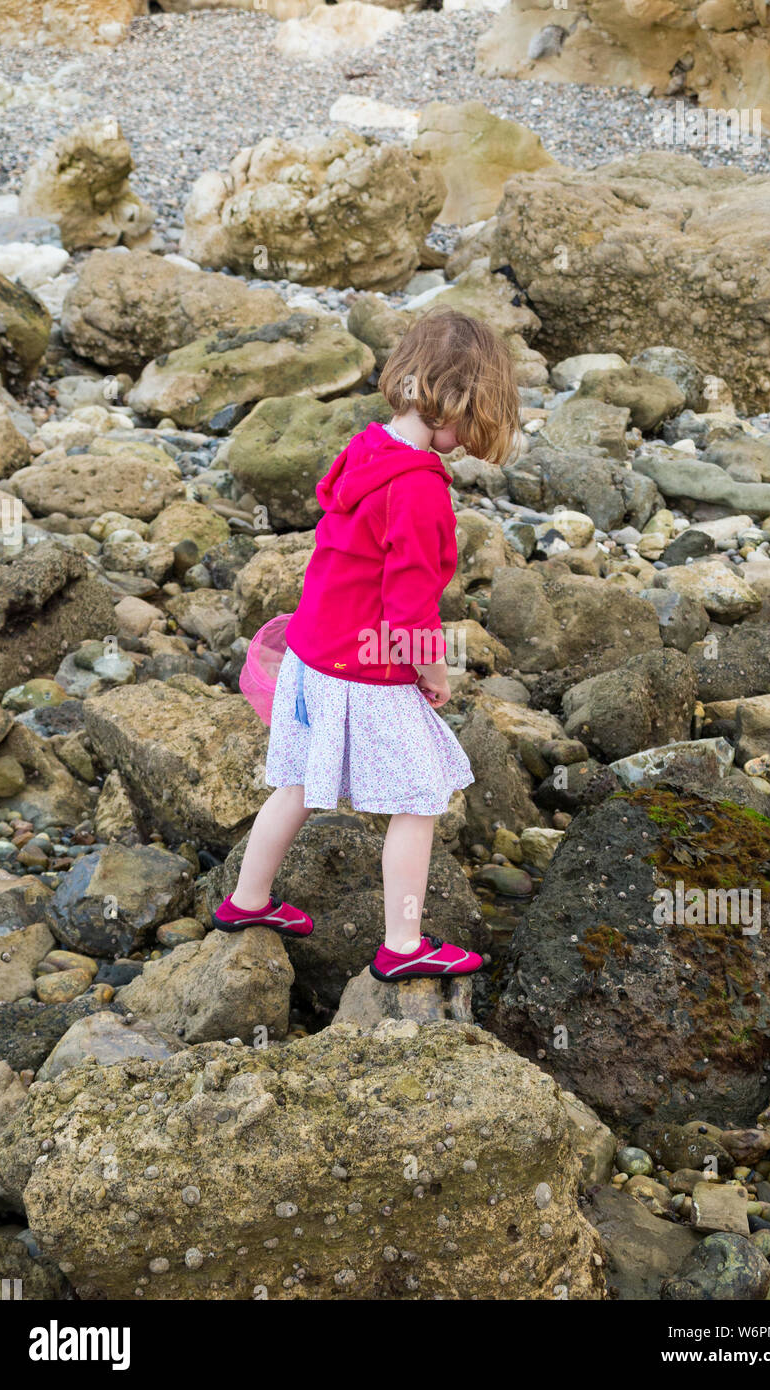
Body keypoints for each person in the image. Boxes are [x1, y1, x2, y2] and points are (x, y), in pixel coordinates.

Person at [213, 308, 520, 982]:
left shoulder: (367, 448)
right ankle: (403, 945)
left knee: (295, 783)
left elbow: (342, 543)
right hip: (364, 667)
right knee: (418, 800)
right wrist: (433, 670)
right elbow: (407, 605)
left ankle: (246, 901)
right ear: (458, 402)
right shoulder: (418, 491)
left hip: (311, 652)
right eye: (478, 421)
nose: (472, 439)